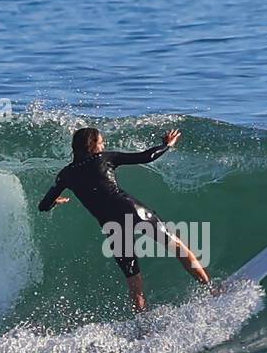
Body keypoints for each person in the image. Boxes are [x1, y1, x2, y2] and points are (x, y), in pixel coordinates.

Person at [38, 126, 210, 312]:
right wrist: (166, 145)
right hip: (131, 211)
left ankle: (143, 324)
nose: (103, 144)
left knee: (132, 276)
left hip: (110, 223)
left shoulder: (66, 174)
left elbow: (43, 205)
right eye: (101, 141)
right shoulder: (103, 158)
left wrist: (56, 201)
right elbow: (146, 157)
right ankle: (209, 289)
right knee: (177, 246)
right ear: (92, 145)